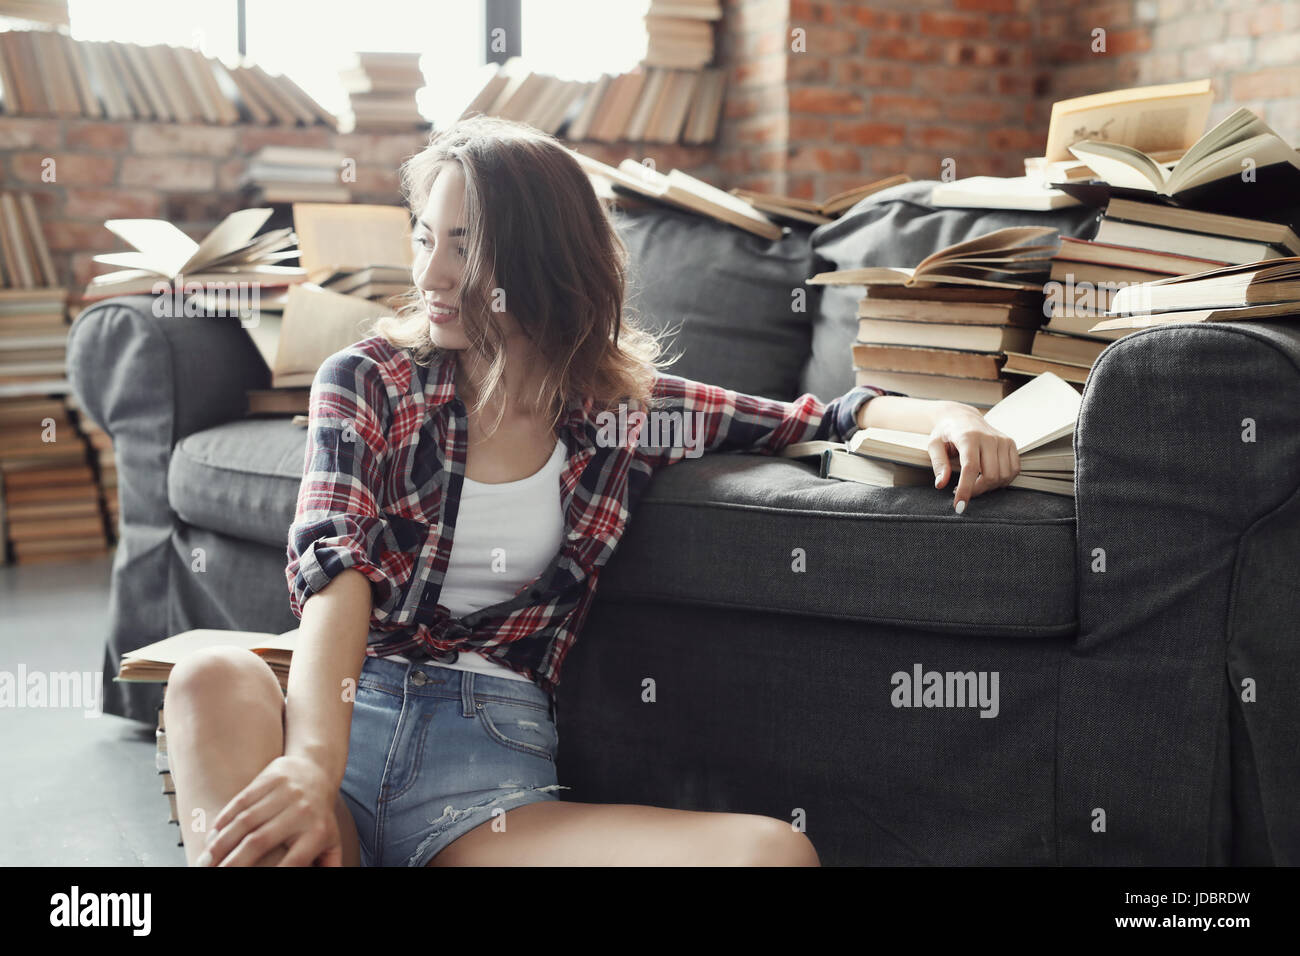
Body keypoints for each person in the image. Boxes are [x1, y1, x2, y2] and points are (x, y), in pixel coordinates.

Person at [163, 115, 1020, 867]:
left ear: (540, 255)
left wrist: (945, 412)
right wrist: (313, 765)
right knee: (209, 679)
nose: (431, 274)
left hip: (485, 787)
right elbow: (334, 565)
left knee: (772, 852)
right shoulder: (370, 379)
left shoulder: (628, 412)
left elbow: (821, 418)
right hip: (344, 733)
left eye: (465, 244)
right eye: (425, 237)